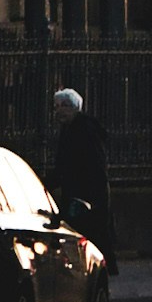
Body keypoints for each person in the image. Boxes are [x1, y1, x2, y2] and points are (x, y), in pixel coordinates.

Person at [46, 85, 112, 262]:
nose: (58, 111)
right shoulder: (70, 128)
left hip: (87, 193)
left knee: (87, 234)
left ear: (73, 107)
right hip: (77, 190)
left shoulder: (85, 129)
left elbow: (92, 165)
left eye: (63, 106)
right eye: (56, 106)